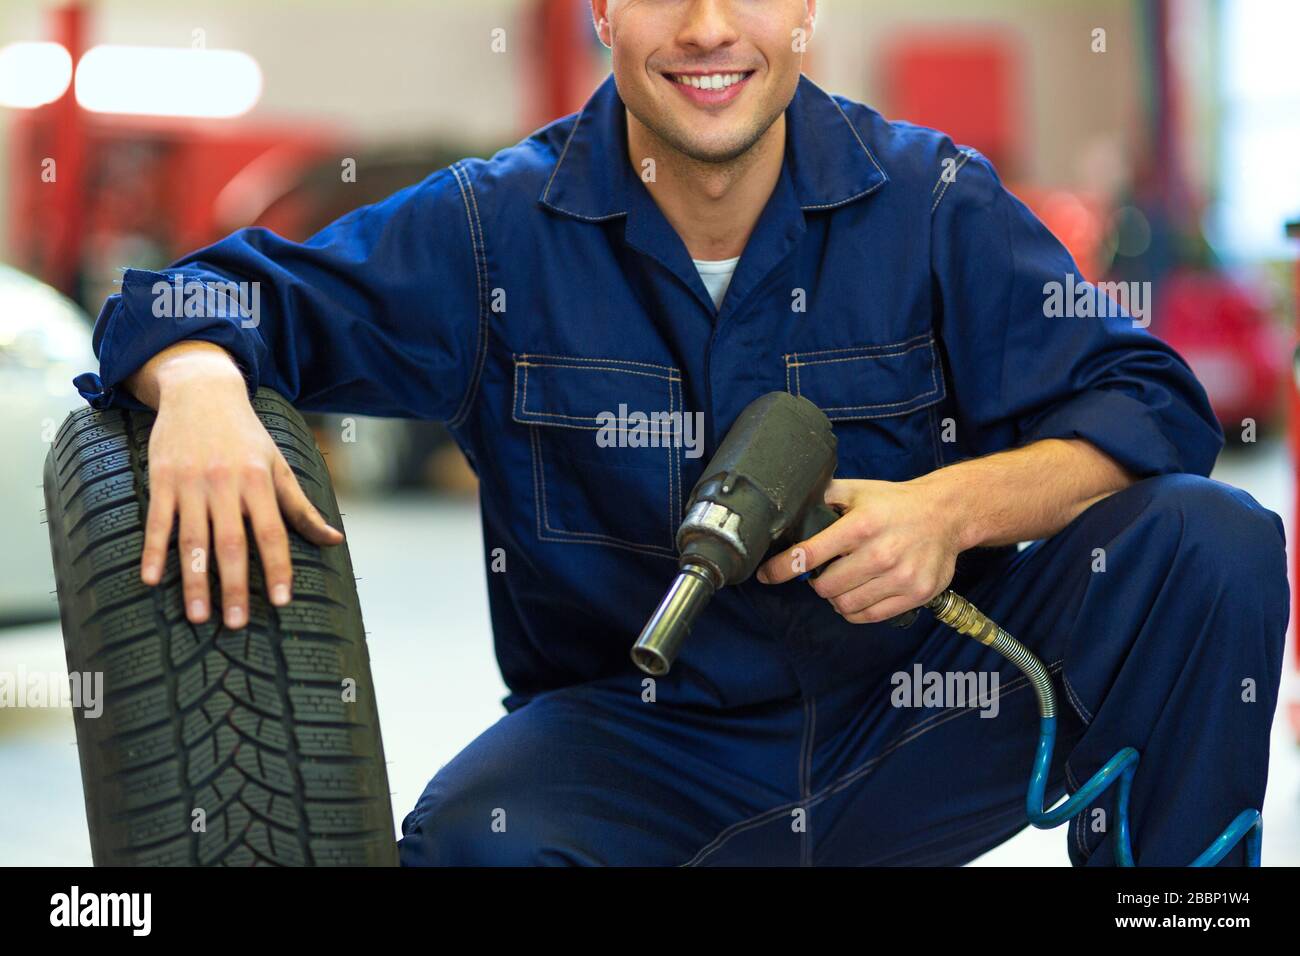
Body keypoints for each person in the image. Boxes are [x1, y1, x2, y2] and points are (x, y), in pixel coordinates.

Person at [75, 0, 1287, 865]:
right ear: (602, 11)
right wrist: (197, 385)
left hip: (922, 711)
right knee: (470, 844)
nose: (709, 27)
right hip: (642, 749)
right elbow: (187, 297)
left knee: (1208, 538)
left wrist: (946, 510)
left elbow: (1152, 399)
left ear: (805, 11)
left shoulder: (932, 202)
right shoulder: (494, 232)